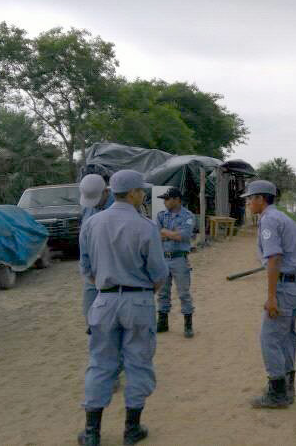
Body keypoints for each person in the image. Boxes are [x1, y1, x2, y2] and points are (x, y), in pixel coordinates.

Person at [78, 170, 168, 446]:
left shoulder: (92, 224)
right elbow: (158, 274)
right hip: (138, 301)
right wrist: (140, 292)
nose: (143, 195)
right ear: (132, 194)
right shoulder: (146, 226)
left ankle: (92, 432)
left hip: (103, 301)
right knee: (138, 362)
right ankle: (132, 429)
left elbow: (86, 269)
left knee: (100, 364)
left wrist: (108, 287)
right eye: (141, 191)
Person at [242, 180, 296, 409]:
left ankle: (278, 393)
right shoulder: (282, 217)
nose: (249, 203)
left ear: (261, 198)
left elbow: (274, 258)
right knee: (287, 336)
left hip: (287, 287)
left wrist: (271, 297)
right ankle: (288, 385)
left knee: (269, 337)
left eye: (250, 198)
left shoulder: (269, 219)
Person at [155, 187, 196, 338]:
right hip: (163, 258)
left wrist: (165, 232)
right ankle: (163, 322)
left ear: (177, 199)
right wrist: (171, 234)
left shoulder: (188, 216)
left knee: (184, 293)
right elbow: (156, 235)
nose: (165, 202)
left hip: (179, 258)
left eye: (167, 199)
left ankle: (188, 324)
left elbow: (183, 236)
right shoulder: (161, 215)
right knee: (162, 292)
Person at [79, 174, 115, 320]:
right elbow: (84, 239)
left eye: (96, 200)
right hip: (92, 273)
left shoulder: (120, 207)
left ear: (106, 191)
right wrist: (87, 271)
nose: (93, 204)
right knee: (90, 317)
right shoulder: (88, 208)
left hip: (114, 273)